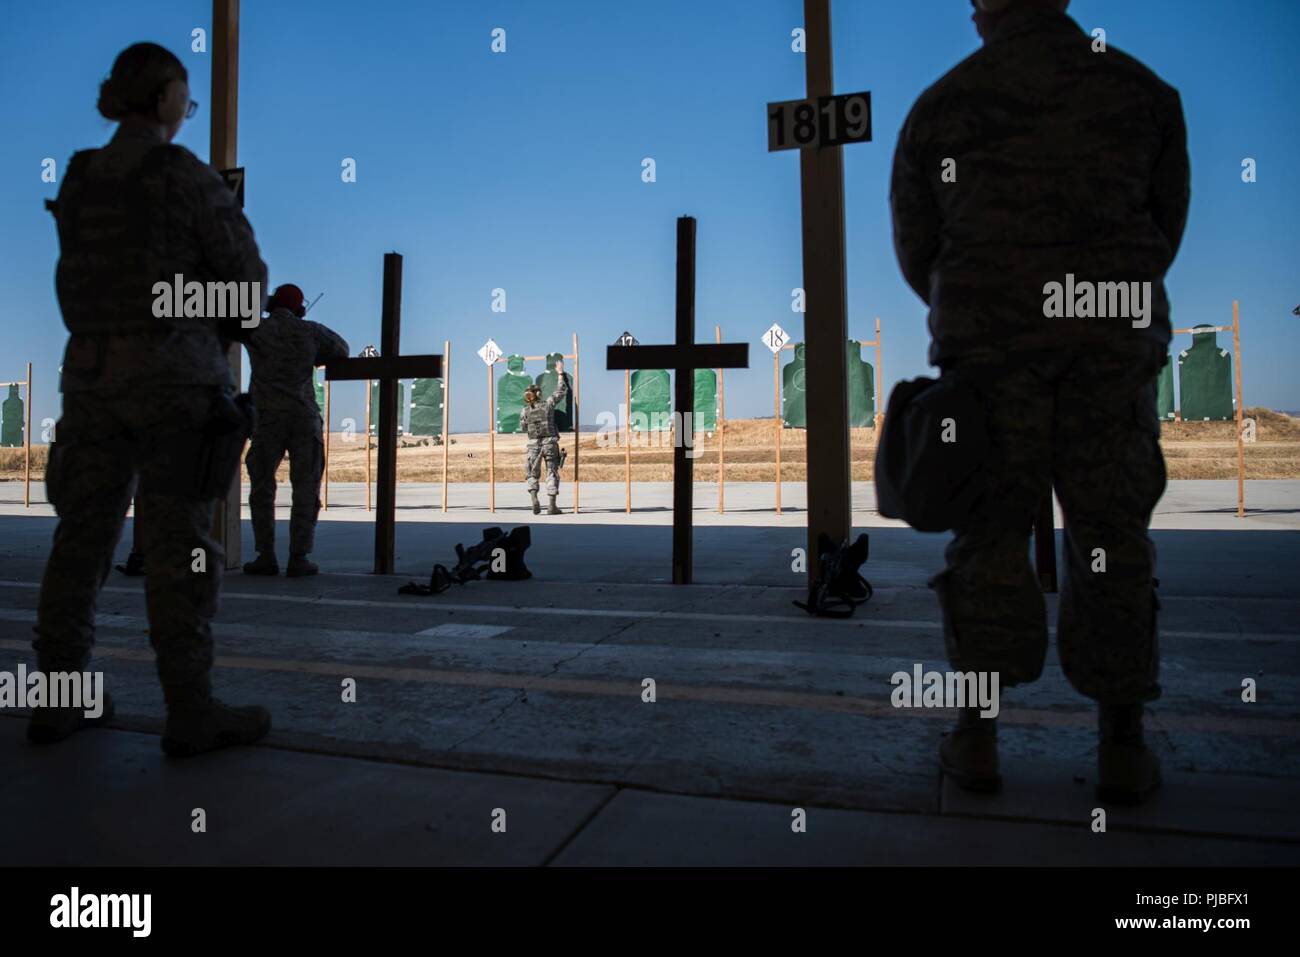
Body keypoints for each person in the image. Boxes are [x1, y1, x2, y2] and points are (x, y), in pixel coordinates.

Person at [889, 0, 1189, 804]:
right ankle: (1122, 746)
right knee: (1111, 533)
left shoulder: (942, 106)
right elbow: (1164, 228)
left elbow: (918, 250)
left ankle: (977, 740)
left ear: (983, 7)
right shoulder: (1142, 92)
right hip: (1109, 346)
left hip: (992, 350)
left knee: (988, 535)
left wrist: (991, 302)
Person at [31, 42, 272, 756]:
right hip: (176, 384)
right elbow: (247, 289)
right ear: (166, 96)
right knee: (181, 552)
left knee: (79, 543)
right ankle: (190, 709)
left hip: (93, 381)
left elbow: (77, 281)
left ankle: (57, 701)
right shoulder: (184, 175)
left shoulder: (79, 177)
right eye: (185, 99)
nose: (185, 110)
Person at [242, 284, 349, 577]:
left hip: (266, 419)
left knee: (262, 489)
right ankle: (299, 557)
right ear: (300, 308)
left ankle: (265, 555)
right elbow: (342, 350)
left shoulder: (256, 329)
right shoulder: (311, 331)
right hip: (303, 417)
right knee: (306, 488)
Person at [520, 359, 568, 514]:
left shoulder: (525, 411)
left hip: (533, 444)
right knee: (551, 471)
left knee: (532, 473)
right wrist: (560, 374)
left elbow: (523, 427)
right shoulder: (547, 404)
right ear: (538, 394)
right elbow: (560, 391)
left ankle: (534, 498)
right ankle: (552, 505)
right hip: (549, 443)